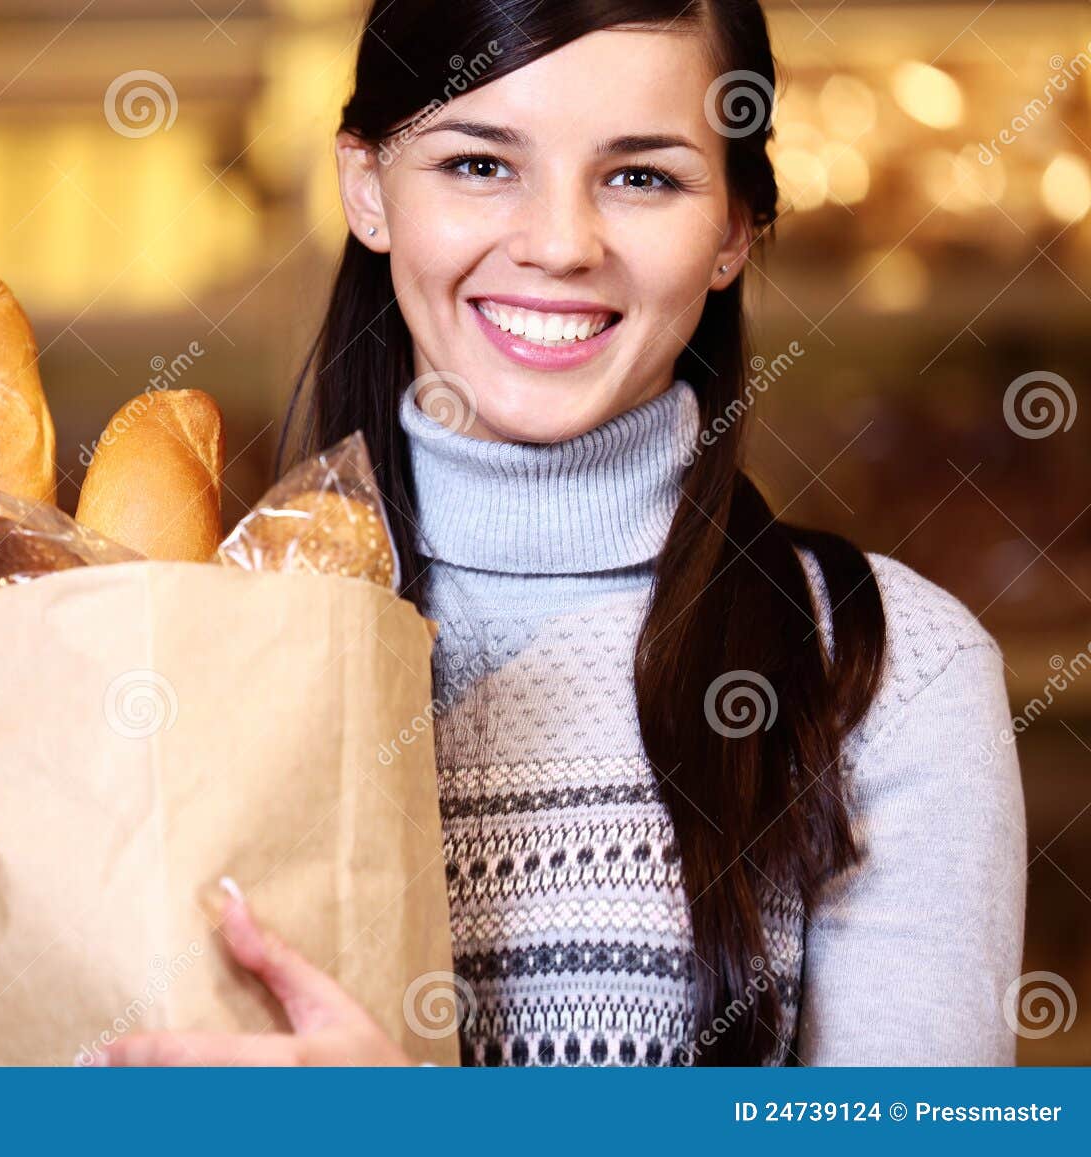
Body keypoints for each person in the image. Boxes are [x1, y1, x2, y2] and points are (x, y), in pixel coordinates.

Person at [102, 0, 1026, 1067]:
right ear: (365, 187)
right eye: (480, 165)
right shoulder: (190, 643)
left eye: (641, 176)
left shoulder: (887, 670)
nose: (557, 245)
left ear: (731, 228)